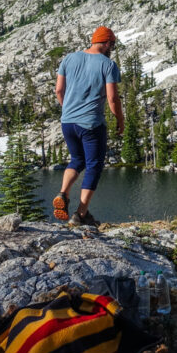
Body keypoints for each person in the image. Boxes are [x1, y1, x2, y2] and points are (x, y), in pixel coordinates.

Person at [52, 26, 125, 226]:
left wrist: (68, 109)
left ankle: (63, 193)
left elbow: (59, 90)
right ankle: (80, 214)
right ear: (108, 43)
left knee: (77, 160)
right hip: (91, 124)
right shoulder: (108, 65)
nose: (112, 48)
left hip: (67, 122)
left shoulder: (69, 58)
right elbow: (112, 97)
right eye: (113, 44)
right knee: (94, 165)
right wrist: (120, 119)